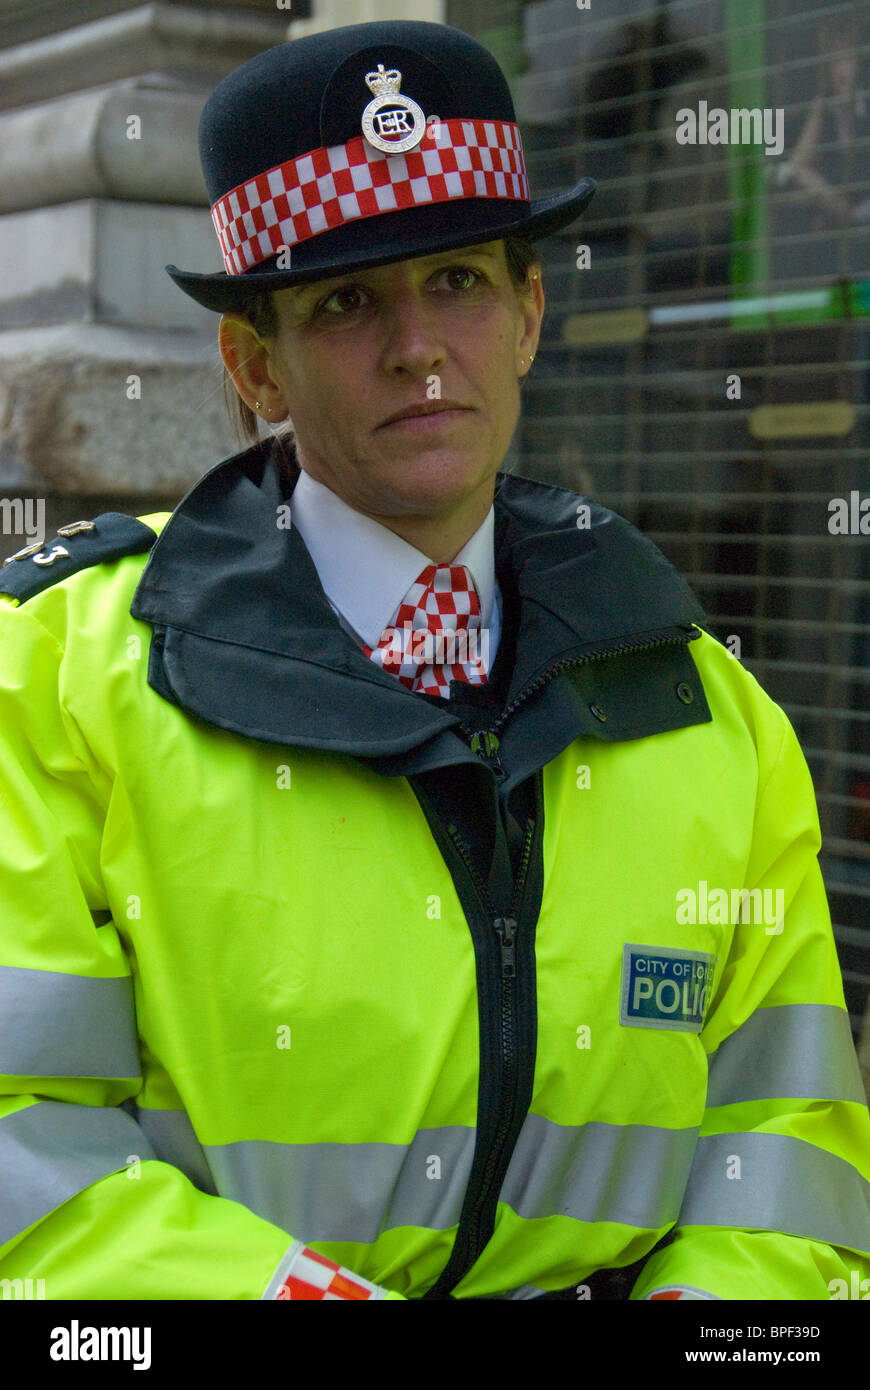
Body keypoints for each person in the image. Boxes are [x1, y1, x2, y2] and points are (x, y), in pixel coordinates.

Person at [0, 19, 868, 1304]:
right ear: (254, 365)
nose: (417, 346)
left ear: (528, 314)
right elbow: (27, 1151)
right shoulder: (61, 682)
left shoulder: (709, 710)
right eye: (347, 300)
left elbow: (785, 1149)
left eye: (458, 280)